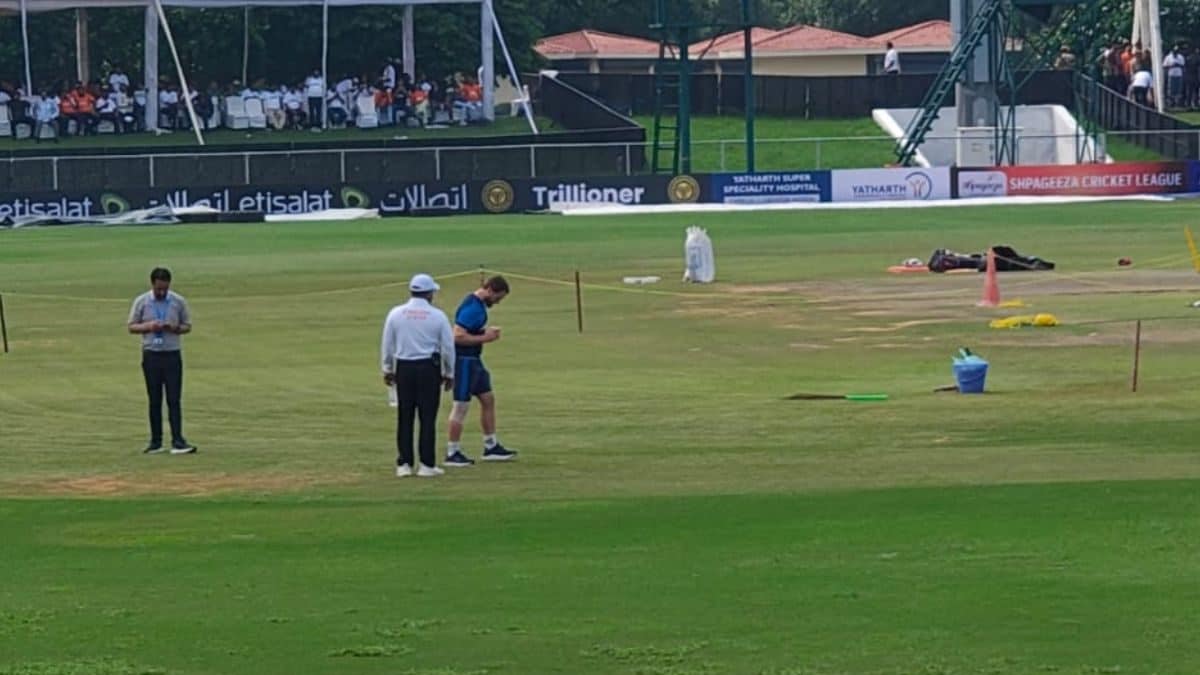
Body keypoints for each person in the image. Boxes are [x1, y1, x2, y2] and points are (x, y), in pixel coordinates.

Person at [381, 274, 455, 478]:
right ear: (430, 293)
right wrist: (450, 373)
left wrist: (387, 369)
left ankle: (404, 464)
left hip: (403, 367)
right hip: (428, 369)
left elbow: (387, 344)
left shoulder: (395, 313)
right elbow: (448, 348)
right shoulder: (437, 316)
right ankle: (426, 464)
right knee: (427, 417)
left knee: (405, 416)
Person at [445, 276, 517, 467]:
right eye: (498, 297)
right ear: (490, 290)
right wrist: (486, 337)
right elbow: (457, 336)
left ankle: (491, 446)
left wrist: (483, 333)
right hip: (464, 362)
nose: (498, 302)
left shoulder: (477, 306)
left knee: (488, 399)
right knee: (461, 406)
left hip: (475, 361)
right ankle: (452, 451)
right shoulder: (473, 309)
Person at [127, 267, 196, 455]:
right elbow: (131, 326)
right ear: (152, 285)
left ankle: (178, 440)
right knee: (154, 400)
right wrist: (149, 326)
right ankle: (155, 441)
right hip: (152, 354)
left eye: (165, 289)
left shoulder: (178, 301)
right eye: (158, 289)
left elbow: (187, 326)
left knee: (174, 399)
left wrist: (174, 328)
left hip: (172, 354)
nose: (162, 292)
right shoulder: (142, 301)